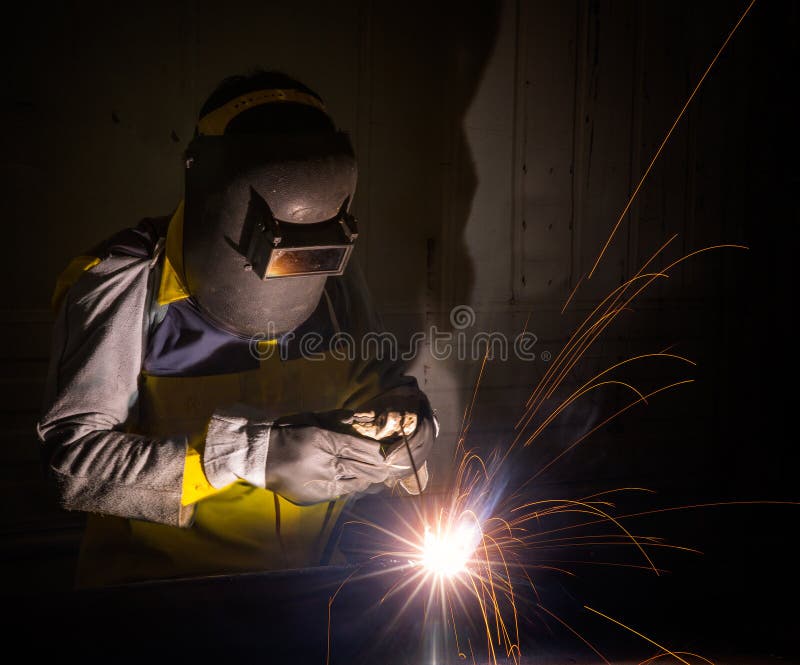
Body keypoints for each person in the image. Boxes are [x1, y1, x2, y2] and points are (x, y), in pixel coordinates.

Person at [37, 71, 437, 587]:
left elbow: (376, 379)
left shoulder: (331, 268)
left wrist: (407, 417)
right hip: (165, 600)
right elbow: (72, 464)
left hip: (311, 592)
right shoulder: (126, 279)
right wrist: (241, 456)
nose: (298, 260)